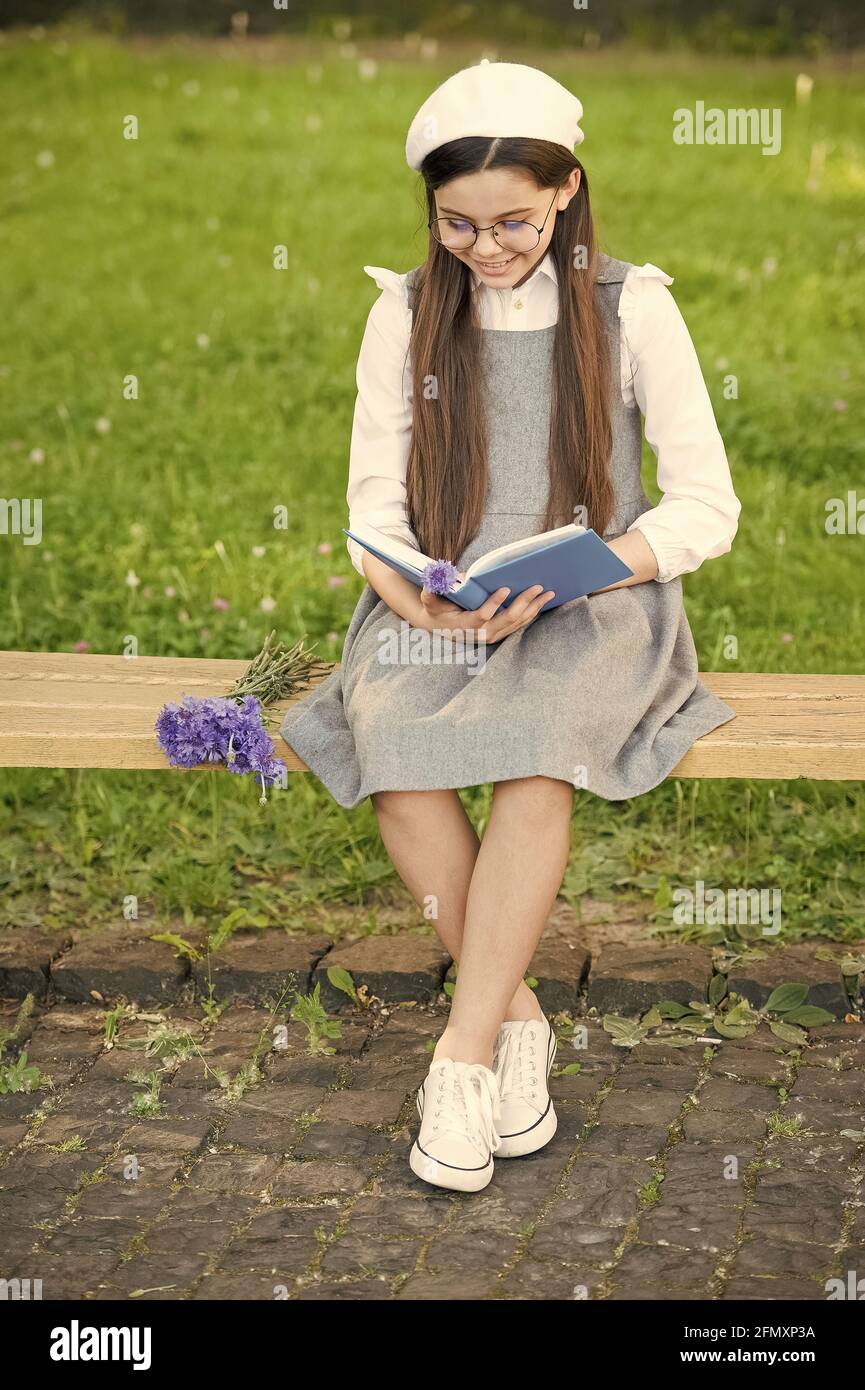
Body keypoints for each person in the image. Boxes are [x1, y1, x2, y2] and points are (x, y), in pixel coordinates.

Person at [281, 61, 741, 1192]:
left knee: (539, 759)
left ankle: (461, 1054)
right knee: (395, 752)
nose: (486, 248)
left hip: (593, 606)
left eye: (514, 223)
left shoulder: (635, 306)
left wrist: (592, 573)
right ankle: (520, 1017)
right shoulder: (402, 311)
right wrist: (416, 601)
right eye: (457, 225)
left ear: (569, 192)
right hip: (442, 595)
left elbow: (706, 507)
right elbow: (370, 510)